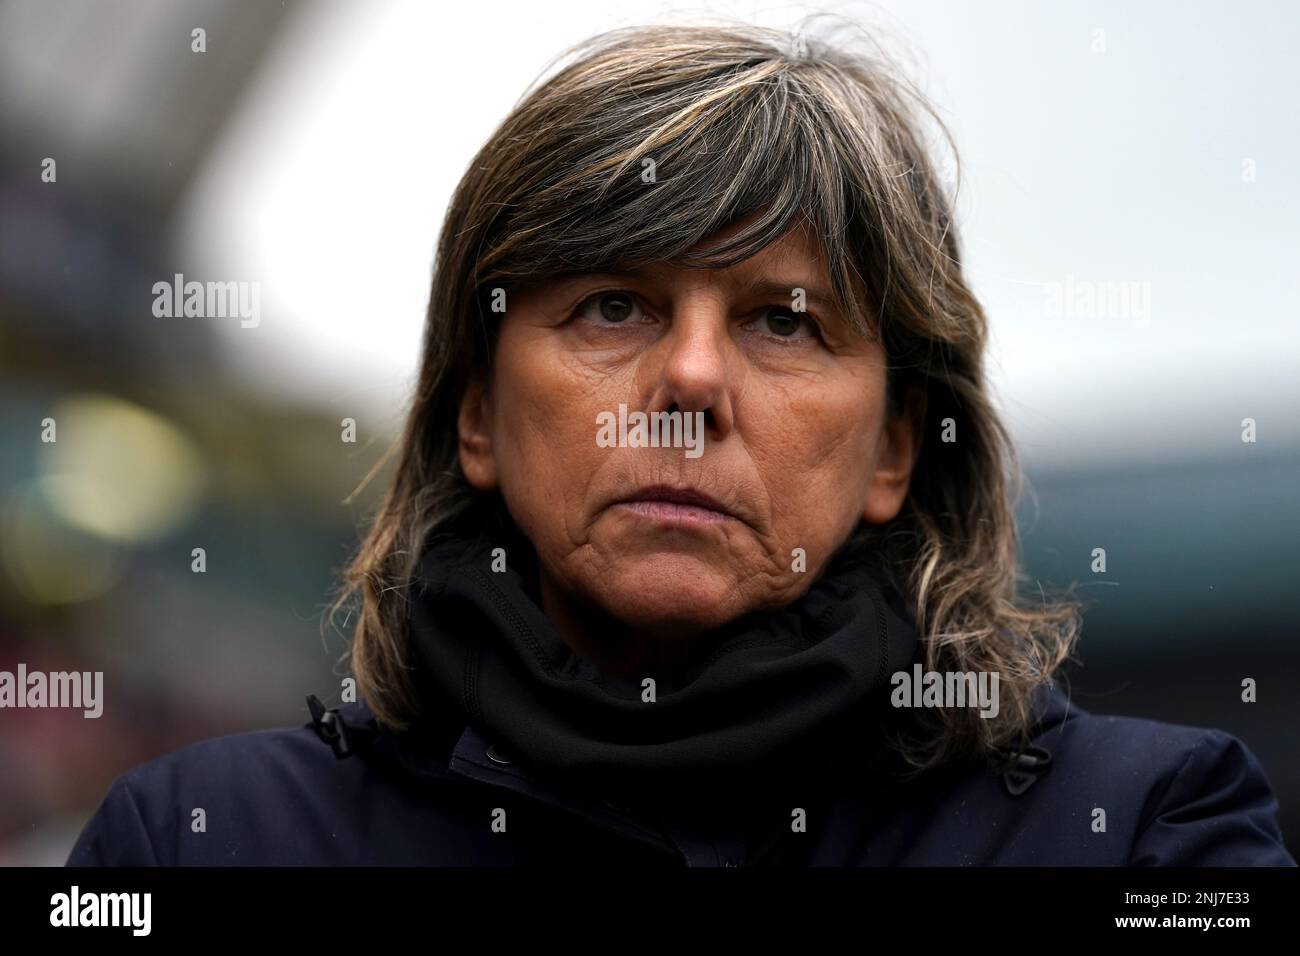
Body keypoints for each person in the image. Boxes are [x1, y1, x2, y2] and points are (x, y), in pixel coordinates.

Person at [67, 21, 1293, 867]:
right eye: (613, 305)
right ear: (477, 413)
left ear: (893, 455)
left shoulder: (1146, 832)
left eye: (783, 321)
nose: (691, 380)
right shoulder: (199, 840)